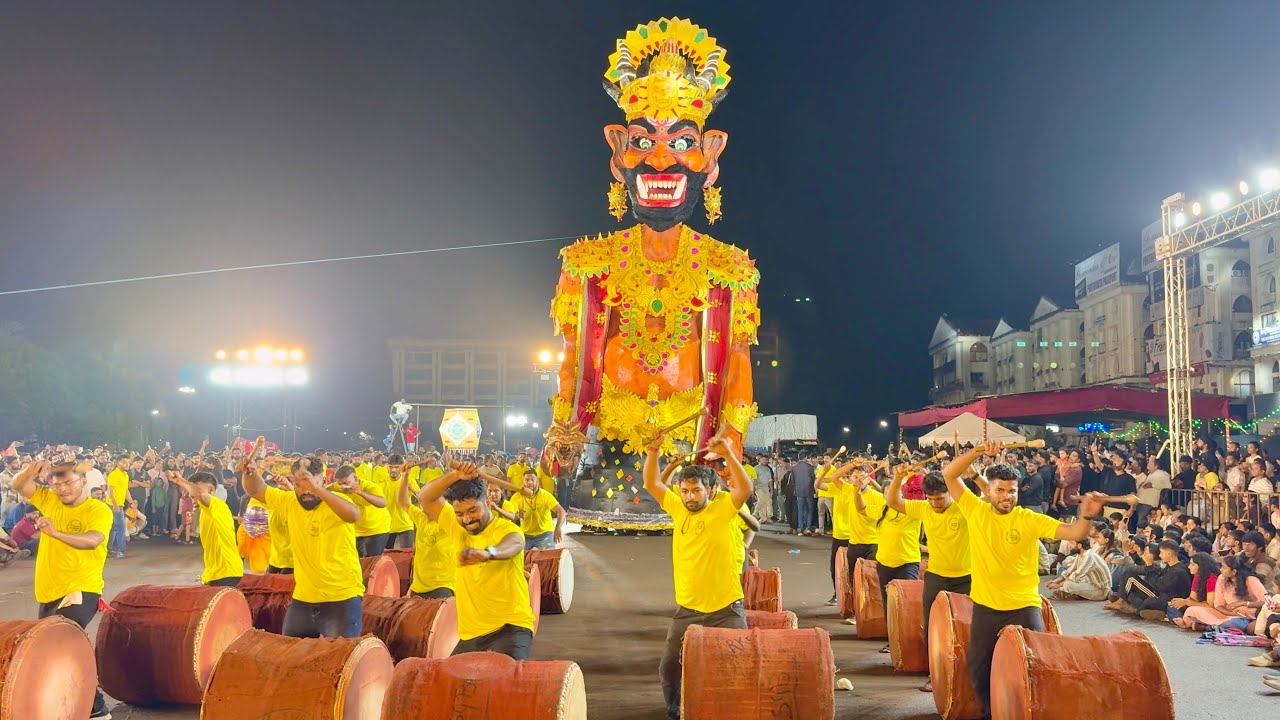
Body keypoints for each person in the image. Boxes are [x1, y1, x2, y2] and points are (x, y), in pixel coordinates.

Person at [940, 441, 1101, 718]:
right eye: (1000, 490)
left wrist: (1087, 513)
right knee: (979, 669)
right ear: (987, 490)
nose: (1006, 496)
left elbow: (1075, 533)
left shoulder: (1029, 518)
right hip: (986, 606)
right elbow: (949, 475)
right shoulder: (974, 510)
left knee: (1037, 670)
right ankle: (992, 714)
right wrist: (979, 451)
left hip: (1024, 605)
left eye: (1011, 491)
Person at [644, 429, 751, 720]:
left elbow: (745, 489)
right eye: (686, 491)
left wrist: (728, 453)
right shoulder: (678, 509)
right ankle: (674, 711)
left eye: (697, 491)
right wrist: (653, 451)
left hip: (727, 609)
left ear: (711, 490)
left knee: (741, 665)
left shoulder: (725, 508)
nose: (690, 497)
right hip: (687, 611)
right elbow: (652, 482)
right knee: (669, 668)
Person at [10, 459, 114, 719]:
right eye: (57, 485)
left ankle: (96, 707)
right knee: (51, 650)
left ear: (83, 482)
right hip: (48, 590)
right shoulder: (49, 500)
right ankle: (92, 707)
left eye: (68, 483)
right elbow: (18, 484)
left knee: (63, 642)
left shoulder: (99, 510)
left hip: (82, 586)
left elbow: (93, 541)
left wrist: (55, 533)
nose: (63, 489)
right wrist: (32, 470)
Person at [416, 459, 535, 658]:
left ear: (488, 501)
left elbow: (514, 543)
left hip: (510, 628)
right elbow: (425, 497)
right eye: (460, 514)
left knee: (503, 685)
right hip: (471, 634)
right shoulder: (456, 527)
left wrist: (489, 553)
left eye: (473, 510)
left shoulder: (505, 528)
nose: (467, 519)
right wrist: (456, 475)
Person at [241, 452, 365, 638]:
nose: (305, 491)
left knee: (339, 661)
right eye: (299, 485)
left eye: (310, 484)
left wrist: (317, 489)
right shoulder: (290, 502)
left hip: (342, 599)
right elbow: (256, 490)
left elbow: (353, 515)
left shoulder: (337, 502)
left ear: (323, 481)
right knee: (292, 658)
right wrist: (250, 473)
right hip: (302, 600)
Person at [886, 468, 970, 692]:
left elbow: (989, 499)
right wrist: (897, 477)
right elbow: (893, 501)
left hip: (968, 578)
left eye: (939, 498)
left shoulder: (966, 508)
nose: (935, 503)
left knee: (968, 629)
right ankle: (935, 674)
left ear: (950, 492)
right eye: (930, 498)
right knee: (932, 628)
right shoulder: (924, 508)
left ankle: (966, 676)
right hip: (936, 576)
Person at [867, 462, 924, 652]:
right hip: (884, 563)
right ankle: (892, 641)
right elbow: (861, 508)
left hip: (908, 562)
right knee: (889, 605)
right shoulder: (881, 511)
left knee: (906, 604)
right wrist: (857, 492)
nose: (890, 495)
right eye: (887, 491)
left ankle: (910, 643)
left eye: (895, 491)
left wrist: (914, 475)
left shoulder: (913, 509)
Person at [393, 459, 457, 599]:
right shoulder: (421, 517)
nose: (422, 503)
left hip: (443, 585)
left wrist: (454, 474)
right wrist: (404, 477)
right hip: (418, 586)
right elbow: (403, 502)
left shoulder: (449, 518)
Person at [168, 471, 243, 587]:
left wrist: (180, 481)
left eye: (194, 489)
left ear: (210, 490)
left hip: (226, 573)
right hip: (216, 574)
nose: (190, 494)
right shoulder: (206, 511)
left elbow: (201, 495)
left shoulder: (218, 505)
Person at [493, 468, 566, 551]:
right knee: (518, 558)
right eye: (527, 480)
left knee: (548, 558)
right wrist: (517, 515)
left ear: (537, 481)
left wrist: (558, 528)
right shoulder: (516, 497)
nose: (530, 482)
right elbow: (511, 516)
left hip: (545, 534)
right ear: (523, 481)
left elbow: (561, 512)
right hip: (525, 534)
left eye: (532, 479)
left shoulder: (545, 495)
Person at [337, 464, 390, 558]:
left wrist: (360, 492)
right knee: (357, 563)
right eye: (340, 484)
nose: (343, 487)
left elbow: (382, 503)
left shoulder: (370, 487)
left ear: (355, 479)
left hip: (376, 530)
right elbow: (325, 490)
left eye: (346, 483)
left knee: (370, 563)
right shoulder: (339, 487)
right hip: (356, 532)